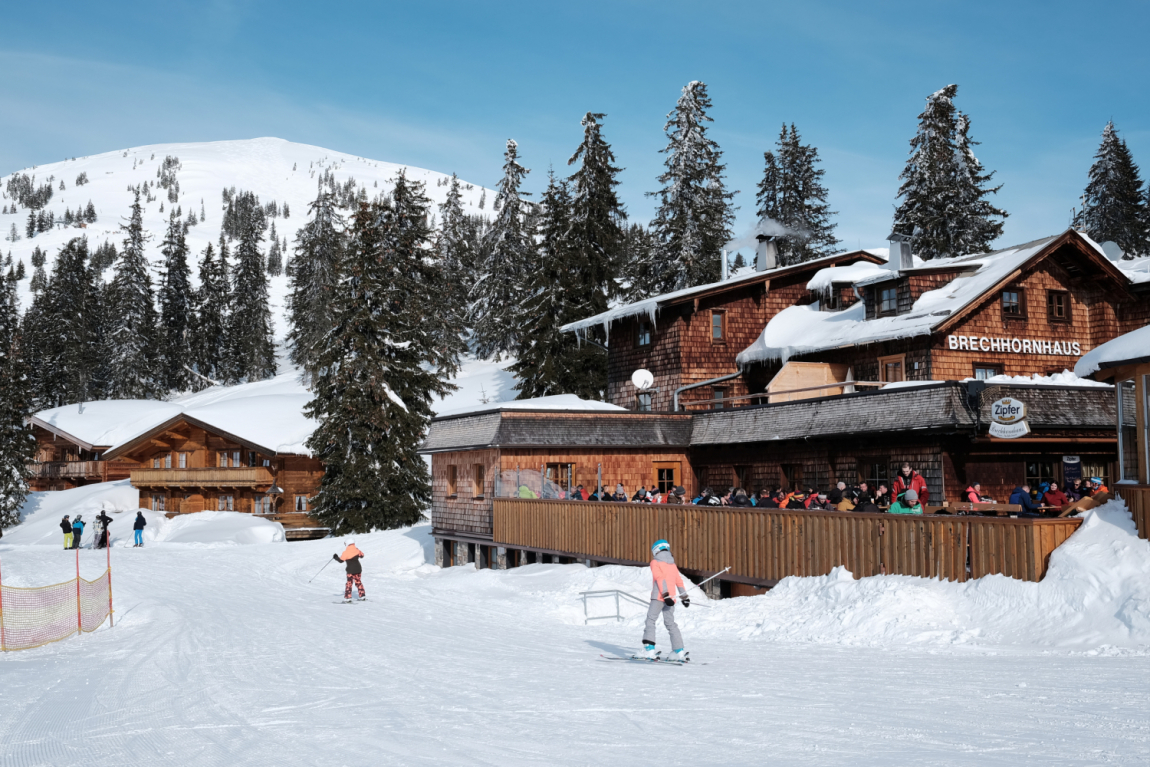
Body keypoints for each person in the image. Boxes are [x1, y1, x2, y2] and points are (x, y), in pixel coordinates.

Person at [640, 540, 690, 662]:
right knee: (670, 623)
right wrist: (684, 597)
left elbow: (659, 578)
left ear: (656, 550)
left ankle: (649, 650)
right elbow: (678, 581)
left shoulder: (655, 562)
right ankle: (678, 652)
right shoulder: (672, 564)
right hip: (671, 598)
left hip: (659, 597)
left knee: (650, 620)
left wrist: (665, 595)